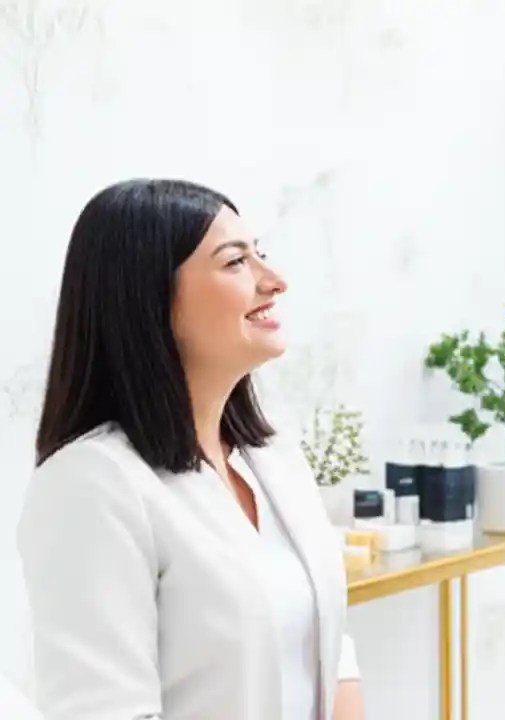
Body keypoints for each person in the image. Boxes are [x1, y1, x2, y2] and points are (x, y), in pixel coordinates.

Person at [17, 179, 365, 720]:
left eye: (261, 256)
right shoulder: (92, 484)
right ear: (149, 297)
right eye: (234, 263)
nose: (274, 282)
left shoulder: (272, 457)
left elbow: (329, 647)